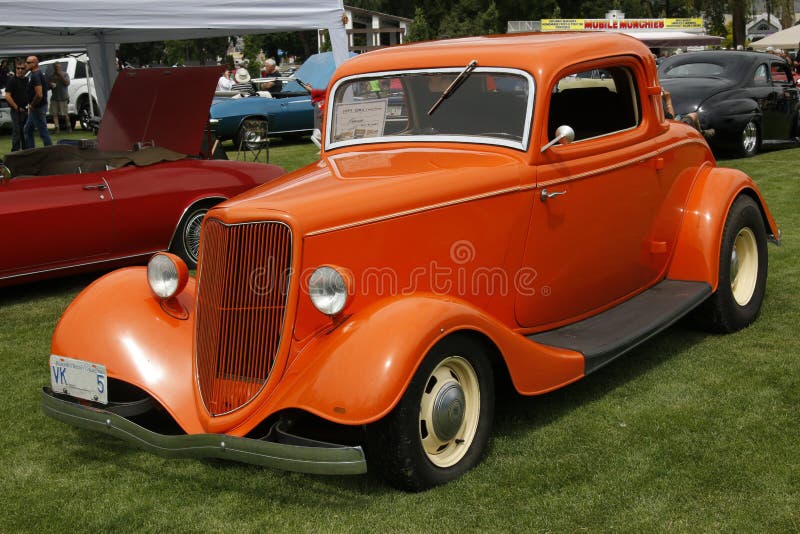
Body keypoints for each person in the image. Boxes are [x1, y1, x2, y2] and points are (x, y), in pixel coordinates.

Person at [22, 55, 52, 149]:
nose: (26, 64)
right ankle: (31, 150)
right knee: (27, 129)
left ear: (35, 63)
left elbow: (39, 94)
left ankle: (50, 151)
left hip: (37, 107)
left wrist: (32, 105)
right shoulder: (37, 74)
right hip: (37, 107)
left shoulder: (36, 75)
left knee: (43, 131)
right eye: (26, 62)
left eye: (28, 62)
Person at [4, 60, 29, 151]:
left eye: (22, 68)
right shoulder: (12, 80)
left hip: (26, 110)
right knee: (17, 131)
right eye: (18, 68)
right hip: (16, 111)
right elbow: (7, 96)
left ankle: (26, 150)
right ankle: (15, 150)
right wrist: (16, 107)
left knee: (25, 131)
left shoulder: (26, 80)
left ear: (25, 69)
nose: (20, 70)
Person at [49, 62, 71, 133]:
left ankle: (69, 127)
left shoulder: (65, 74)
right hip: (54, 97)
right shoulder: (52, 76)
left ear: (60, 67)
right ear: (54, 68)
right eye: (56, 67)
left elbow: (67, 83)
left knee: (65, 114)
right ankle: (57, 128)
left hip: (63, 97)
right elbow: (48, 87)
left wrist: (60, 75)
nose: (57, 68)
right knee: (54, 114)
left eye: (58, 67)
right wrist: (51, 85)